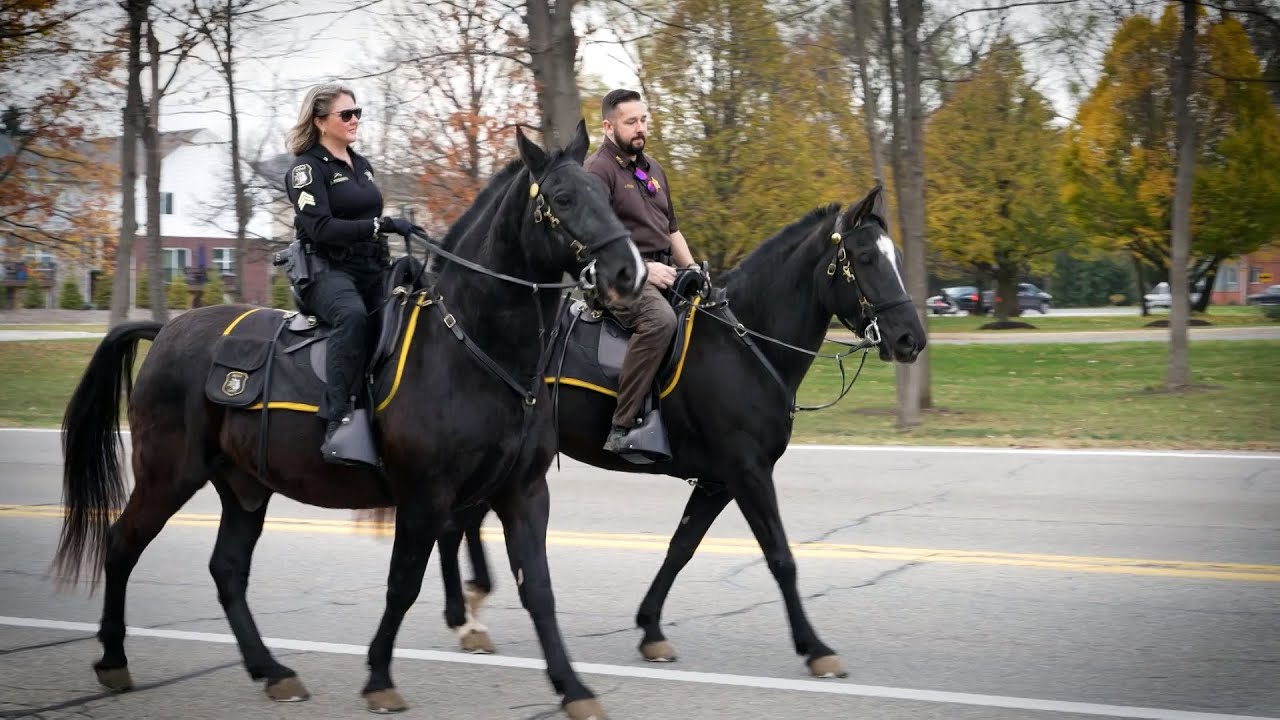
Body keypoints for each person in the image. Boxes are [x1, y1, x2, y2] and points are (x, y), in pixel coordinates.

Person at [284, 82, 417, 463]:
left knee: (411, 310)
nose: (355, 119)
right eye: (346, 114)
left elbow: (371, 221)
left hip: (369, 268)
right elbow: (320, 229)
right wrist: (380, 226)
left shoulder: (361, 166)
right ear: (322, 122)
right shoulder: (305, 170)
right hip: (324, 270)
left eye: (358, 112)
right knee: (353, 316)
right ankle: (339, 419)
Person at [585, 89, 702, 454]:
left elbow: (672, 230)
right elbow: (593, 243)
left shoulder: (653, 168)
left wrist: (696, 272)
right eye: (631, 121)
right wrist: (643, 270)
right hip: (615, 278)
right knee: (661, 321)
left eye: (644, 120)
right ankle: (622, 425)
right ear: (608, 126)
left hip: (663, 269)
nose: (640, 128)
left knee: (711, 315)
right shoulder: (597, 170)